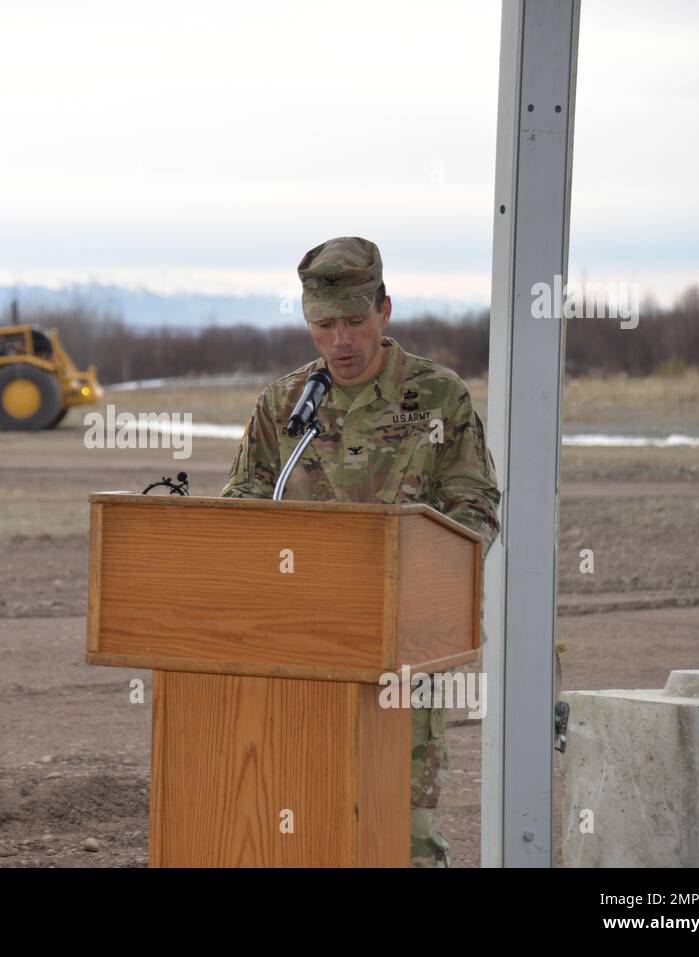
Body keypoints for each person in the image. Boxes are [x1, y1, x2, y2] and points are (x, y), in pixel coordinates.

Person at [221, 236, 501, 867]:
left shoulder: (437, 397)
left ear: (385, 311)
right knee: (299, 819)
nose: (340, 341)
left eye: (353, 321)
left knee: (402, 834)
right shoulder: (285, 407)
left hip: (408, 650)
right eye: (323, 326)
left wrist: (415, 578)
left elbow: (476, 509)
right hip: (302, 646)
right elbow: (241, 510)